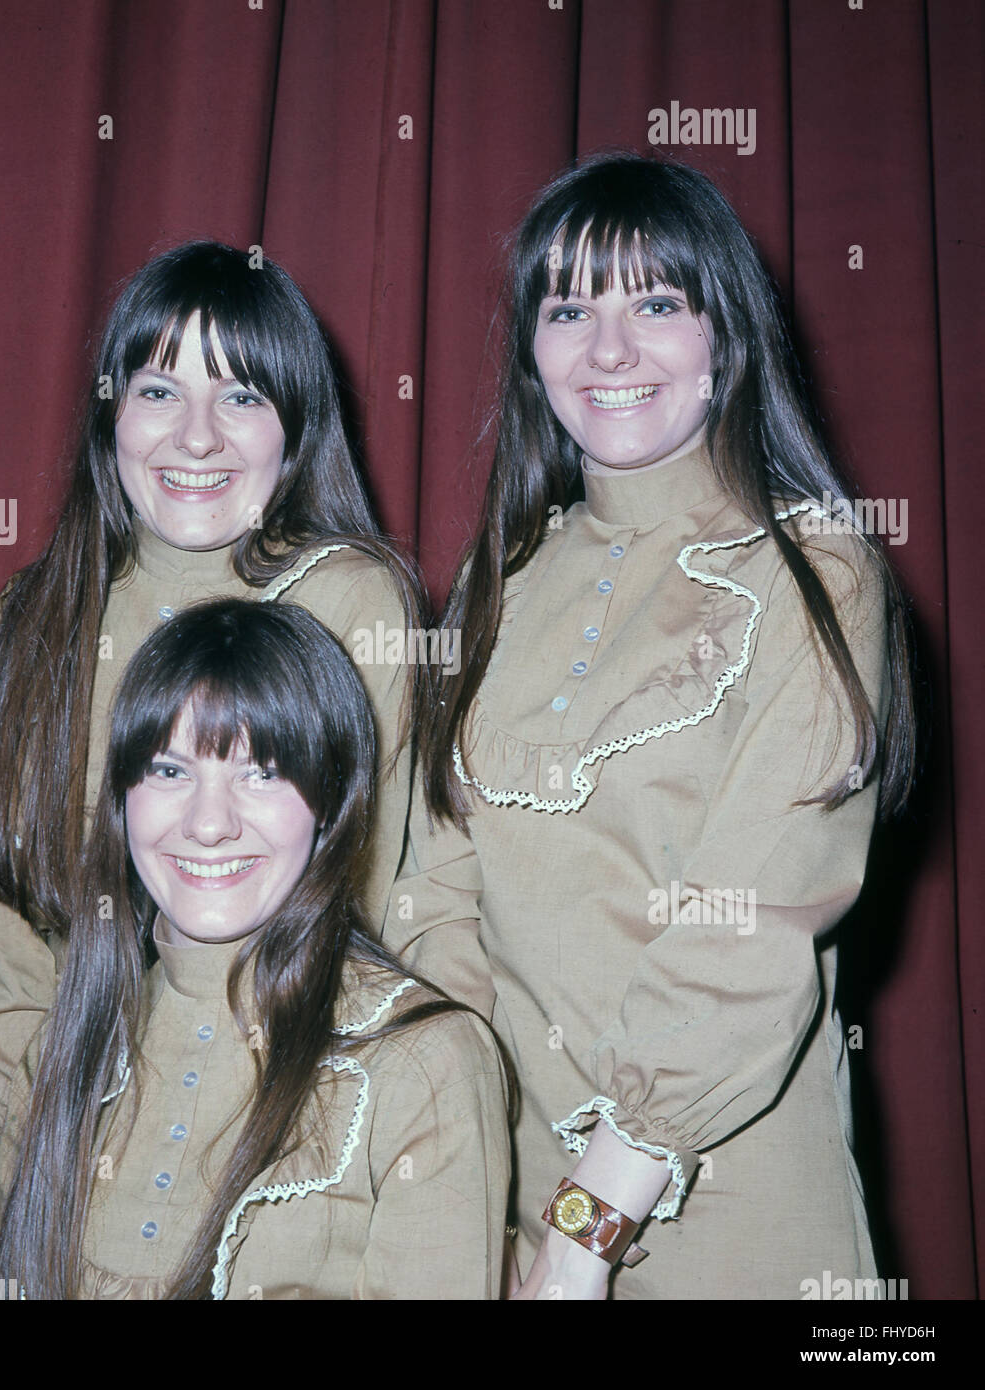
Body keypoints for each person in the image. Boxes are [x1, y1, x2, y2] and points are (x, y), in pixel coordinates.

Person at [386, 154, 916, 1300]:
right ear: (532, 348)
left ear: (723, 338)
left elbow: (753, 923)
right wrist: (460, 1178)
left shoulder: (814, 569)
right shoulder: (498, 582)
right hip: (513, 1192)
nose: (608, 350)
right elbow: (435, 905)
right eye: (568, 308)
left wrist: (580, 1236)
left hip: (729, 1191)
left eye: (656, 304)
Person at [0, 242, 420, 1281]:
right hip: (52, 1169)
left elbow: (385, 914)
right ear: (111, 415)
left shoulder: (348, 604)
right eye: (158, 387)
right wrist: (62, 1127)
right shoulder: (35, 618)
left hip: (276, 1171)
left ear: (294, 427)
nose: (196, 434)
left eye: (240, 393)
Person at [0, 600, 510, 1298]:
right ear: (122, 799)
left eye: (262, 772)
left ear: (333, 804)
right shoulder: (66, 1043)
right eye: (170, 771)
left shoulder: (428, 1065)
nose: (209, 824)